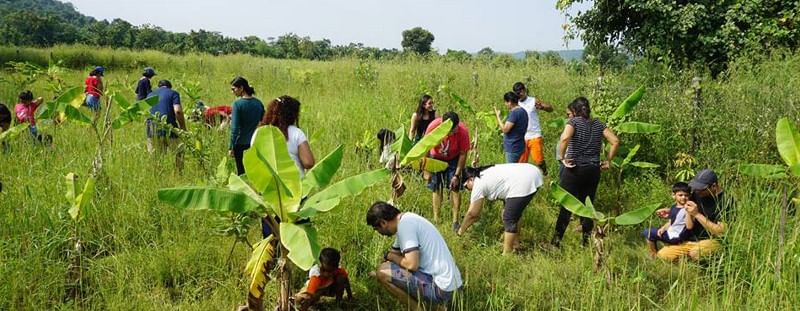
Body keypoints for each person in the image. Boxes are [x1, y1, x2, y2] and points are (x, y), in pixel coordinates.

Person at [367, 201, 462, 310]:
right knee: (383, 270)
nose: (378, 232)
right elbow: (393, 253)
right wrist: (386, 261)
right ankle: (437, 307)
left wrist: (388, 261)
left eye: (376, 228)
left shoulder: (405, 226)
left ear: (383, 223)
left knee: (383, 273)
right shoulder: (406, 220)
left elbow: (412, 265)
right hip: (451, 285)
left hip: (443, 290)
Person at [551, 97, 619, 247]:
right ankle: (586, 243)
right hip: (593, 170)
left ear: (574, 111)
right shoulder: (598, 124)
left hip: (574, 168)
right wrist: (608, 160)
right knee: (588, 206)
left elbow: (564, 139)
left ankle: (555, 243)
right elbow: (615, 141)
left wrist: (561, 158)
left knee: (567, 205)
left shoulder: (573, 122)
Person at [457, 163, 544, 254]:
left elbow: (473, 214)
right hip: (531, 172)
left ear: (471, 179)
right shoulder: (483, 172)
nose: (468, 190)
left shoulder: (478, 184)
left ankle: (507, 254)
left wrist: (460, 232)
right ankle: (516, 245)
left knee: (509, 217)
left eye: (466, 186)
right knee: (511, 213)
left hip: (525, 180)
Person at [655, 169, 731, 261]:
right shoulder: (697, 193)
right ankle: (684, 264)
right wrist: (670, 211)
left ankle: (703, 268)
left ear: (714, 186)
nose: (696, 191)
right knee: (662, 256)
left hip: (712, 240)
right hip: (689, 240)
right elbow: (684, 208)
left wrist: (697, 214)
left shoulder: (726, 201)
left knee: (695, 253)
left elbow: (721, 232)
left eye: (701, 189)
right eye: (696, 188)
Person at [425, 111, 470, 230]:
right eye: (450, 130)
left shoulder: (462, 132)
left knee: (455, 188)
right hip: (436, 158)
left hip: (453, 159)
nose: (453, 132)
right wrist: (426, 169)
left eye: (454, 129)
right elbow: (425, 147)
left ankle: (455, 221)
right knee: (436, 188)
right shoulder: (433, 127)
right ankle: (436, 219)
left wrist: (456, 174)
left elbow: (463, 154)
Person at [258, 95, 315, 176]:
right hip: (294, 183)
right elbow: (308, 163)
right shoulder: (296, 133)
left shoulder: (259, 132)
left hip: (267, 183)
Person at [642, 182, 694, 258]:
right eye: (680, 195)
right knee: (648, 232)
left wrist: (688, 212)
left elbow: (689, 226)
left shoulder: (689, 209)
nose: (683, 197)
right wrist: (663, 228)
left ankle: (653, 255)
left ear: (689, 196)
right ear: (674, 195)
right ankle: (653, 253)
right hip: (671, 232)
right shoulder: (674, 207)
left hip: (677, 236)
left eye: (686, 195)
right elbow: (671, 222)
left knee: (648, 233)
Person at [513, 82, 553, 174]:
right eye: (517, 93)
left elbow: (550, 109)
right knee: (521, 163)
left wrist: (542, 107)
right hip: (521, 137)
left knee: (538, 160)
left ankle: (545, 174)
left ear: (524, 90)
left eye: (521, 92)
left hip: (534, 135)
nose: (520, 95)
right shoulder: (515, 103)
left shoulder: (533, 100)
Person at [228, 76, 264, 176]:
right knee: (255, 174)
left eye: (233, 89)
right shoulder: (258, 103)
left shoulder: (237, 104)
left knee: (242, 173)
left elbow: (234, 129)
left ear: (241, 88)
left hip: (240, 144)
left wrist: (231, 146)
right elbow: (264, 122)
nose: (232, 92)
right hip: (255, 144)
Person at [146, 80, 186, 158]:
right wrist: (183, 127)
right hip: (169, 128)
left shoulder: (150, 95)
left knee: (156, 159)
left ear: (158, 87)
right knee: (179, 155)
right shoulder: (173, 93)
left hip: (152, 129)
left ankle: (156, 170)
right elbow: (178, 111)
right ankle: (179, 170)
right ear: (169, 87)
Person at [494, 92, 528, 163]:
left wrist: (497, 116)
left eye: (505, 102)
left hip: (513, 148)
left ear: (509, 102)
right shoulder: (523, 111)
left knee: (511, 170)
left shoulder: (514, 113)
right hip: (520, 146)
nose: (505, 104)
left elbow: (505, 130)